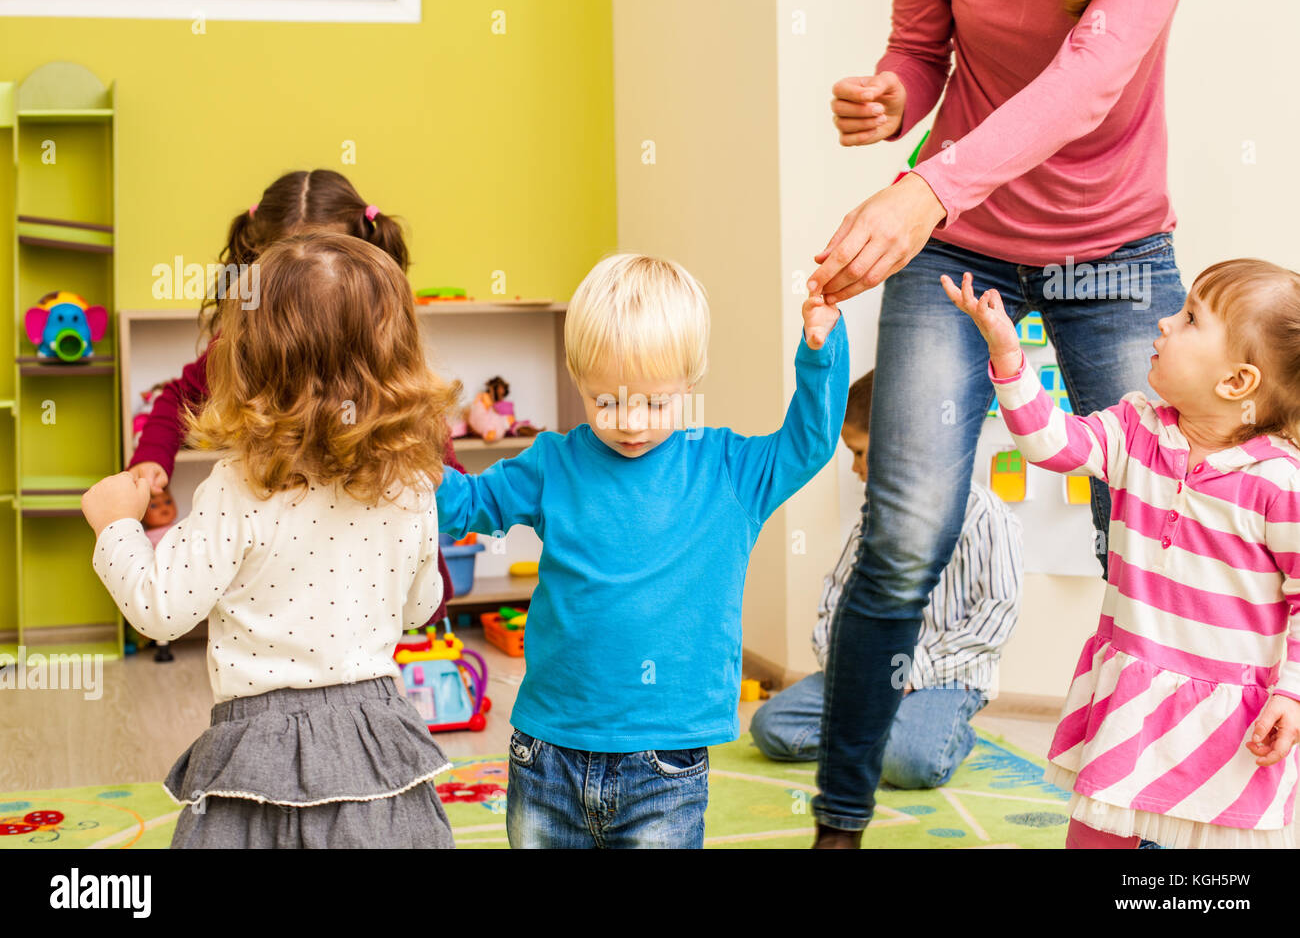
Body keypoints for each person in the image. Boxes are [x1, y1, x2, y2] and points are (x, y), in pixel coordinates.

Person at [807, 0, 1189, 846]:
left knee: (1147, 541)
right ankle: (840, 824)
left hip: (1114, 249)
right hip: (955, 241)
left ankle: (1160, 838)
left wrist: (923, 190)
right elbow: (921, 49)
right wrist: (893, 93)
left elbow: (1085, 81)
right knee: (904, 537)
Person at [436, 254, 849, 848]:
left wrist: (820, 351)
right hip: (545, 752)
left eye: (654, 403)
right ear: (578, 377)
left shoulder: (728, 469)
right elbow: (469, 504)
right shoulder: (553, 462)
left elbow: (809, 443)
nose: (630, 422)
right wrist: (407, 462)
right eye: (606, 401)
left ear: (691, 380)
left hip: (665, 765)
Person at [81, 234, 461, 848]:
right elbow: (420, 608)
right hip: (378, 743)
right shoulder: (413, 485)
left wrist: (116, 525)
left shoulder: (238, 488)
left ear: (251, 365)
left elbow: (159, 610)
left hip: (260, 751)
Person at [946, 259, 1300, 848]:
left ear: (1236, 383)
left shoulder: (1280, 483)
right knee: (1095, 835)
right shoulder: (1136, 426)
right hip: (1131, 698)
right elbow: (1049, 442)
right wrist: (1007, 354)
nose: (1163, 322)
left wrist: (1291, 692)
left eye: (1189, 319)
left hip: (1226, 722)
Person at [126, 169, 465, 628]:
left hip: (389, 586)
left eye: (330, 258)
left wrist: (452, 489)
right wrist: (151, 458)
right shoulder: (252, 340)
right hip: (294, 596)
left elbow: (417, 424)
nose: (311, 279)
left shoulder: (380, 335)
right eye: (292, 262)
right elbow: (178, 394)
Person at [750, 370, 1021, 787]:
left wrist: (913, 675)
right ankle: (889, 725)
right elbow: (836, 597)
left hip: (946, 677)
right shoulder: (873, 518)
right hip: (869, 672)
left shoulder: (985, 513)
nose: (856, 469)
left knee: (910, 764)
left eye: (860, 453)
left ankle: (933, 733)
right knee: (771, 727)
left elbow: (996, 616)